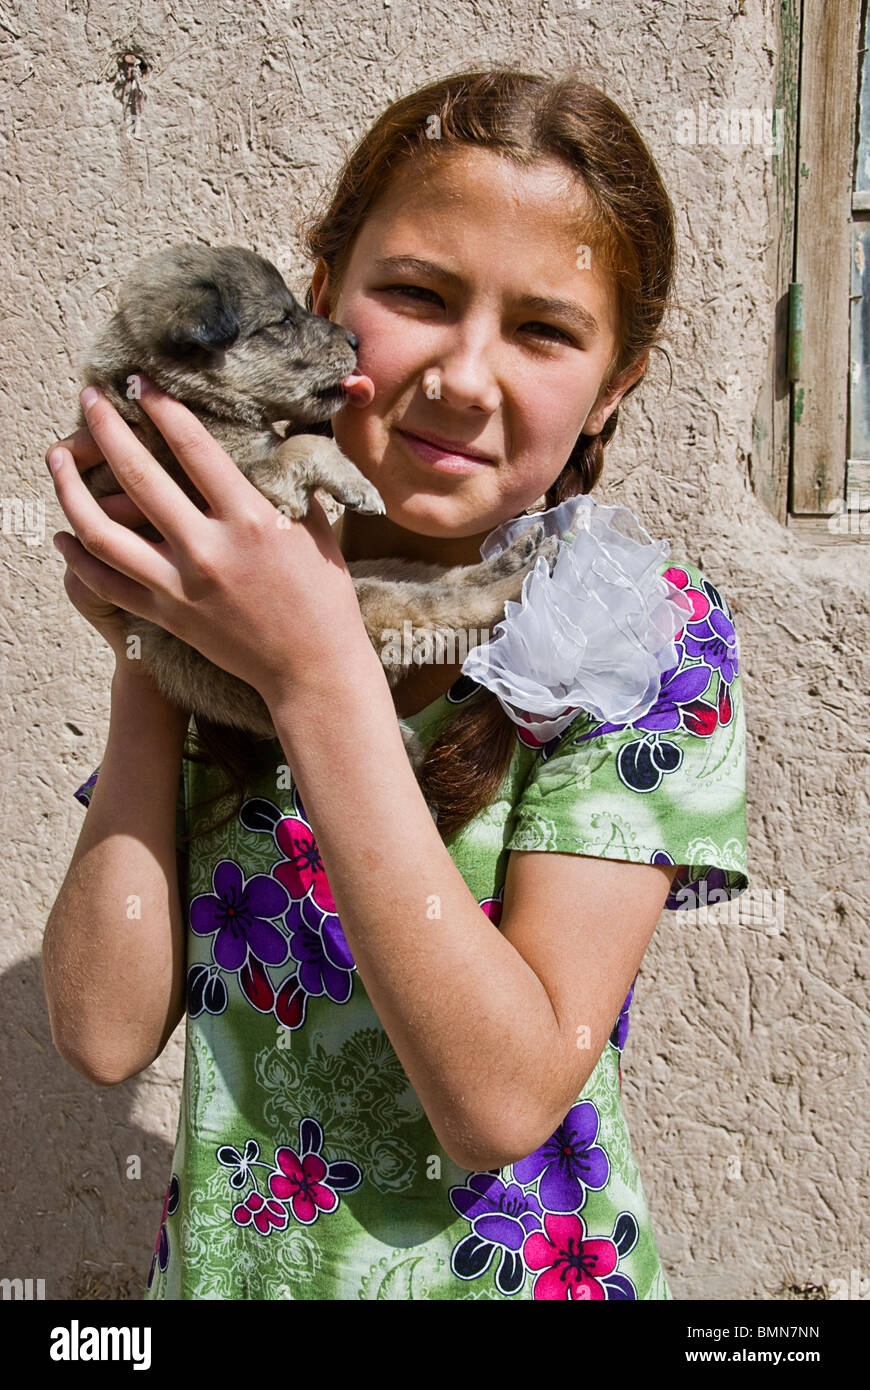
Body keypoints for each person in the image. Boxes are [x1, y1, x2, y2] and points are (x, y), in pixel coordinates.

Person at [42, 69, 748, 1301]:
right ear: (321, 302)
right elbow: (103, 1033)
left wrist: (315, 669)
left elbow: (498, 1102)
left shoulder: (639, 633)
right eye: (416, 295)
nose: (465, 377)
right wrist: (157, 633)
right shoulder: (241, 583)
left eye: (543, 331)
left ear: (614, 386)